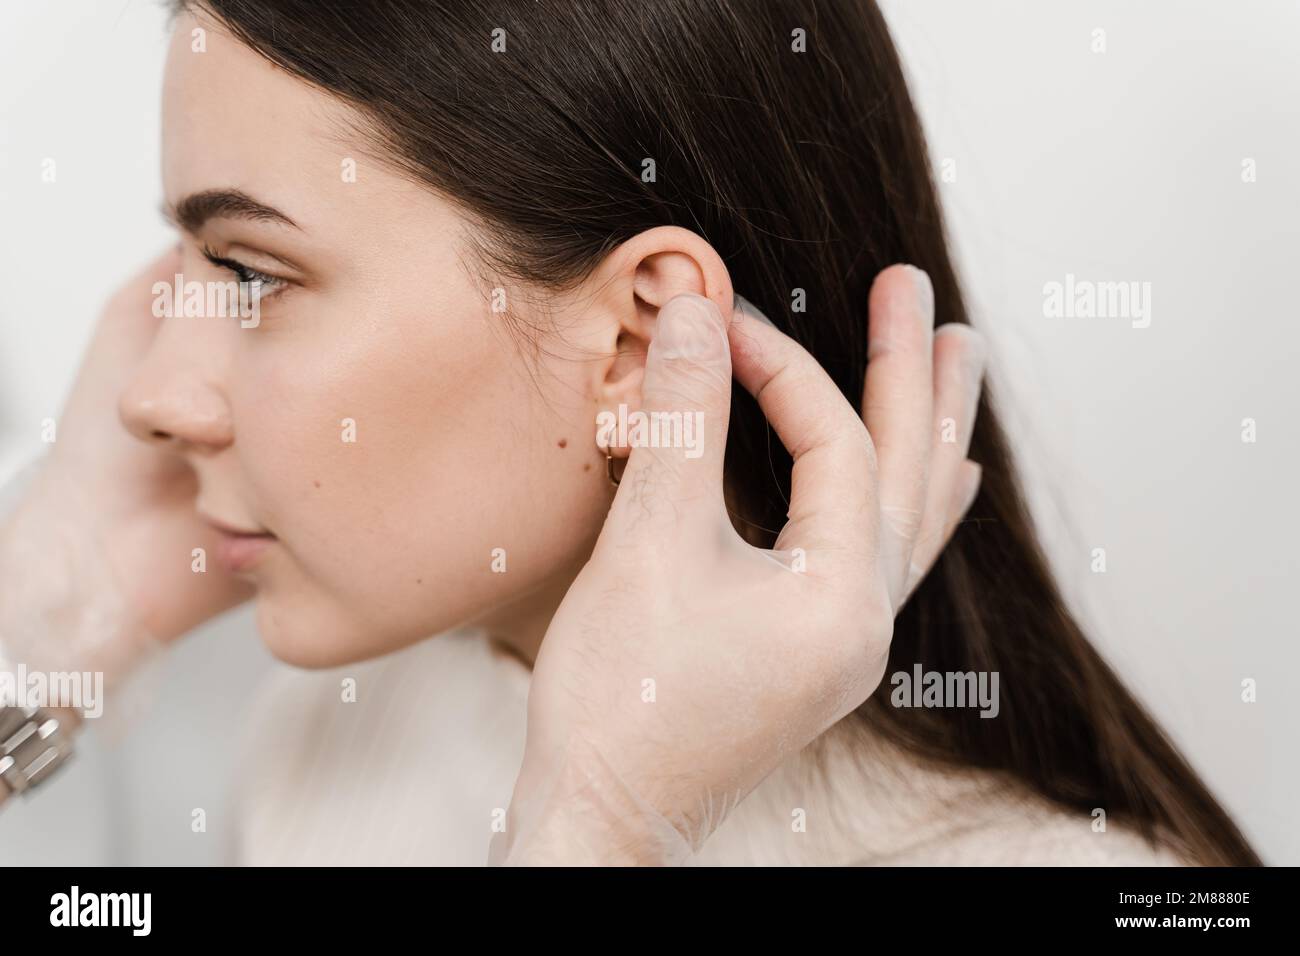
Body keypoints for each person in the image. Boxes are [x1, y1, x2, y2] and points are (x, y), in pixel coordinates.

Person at [0, 0, 1259, 865]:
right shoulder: (340, 725)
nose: (147, 395)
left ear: (644, 342)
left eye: (252, 272)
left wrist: (598, 824)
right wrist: (63, 605)